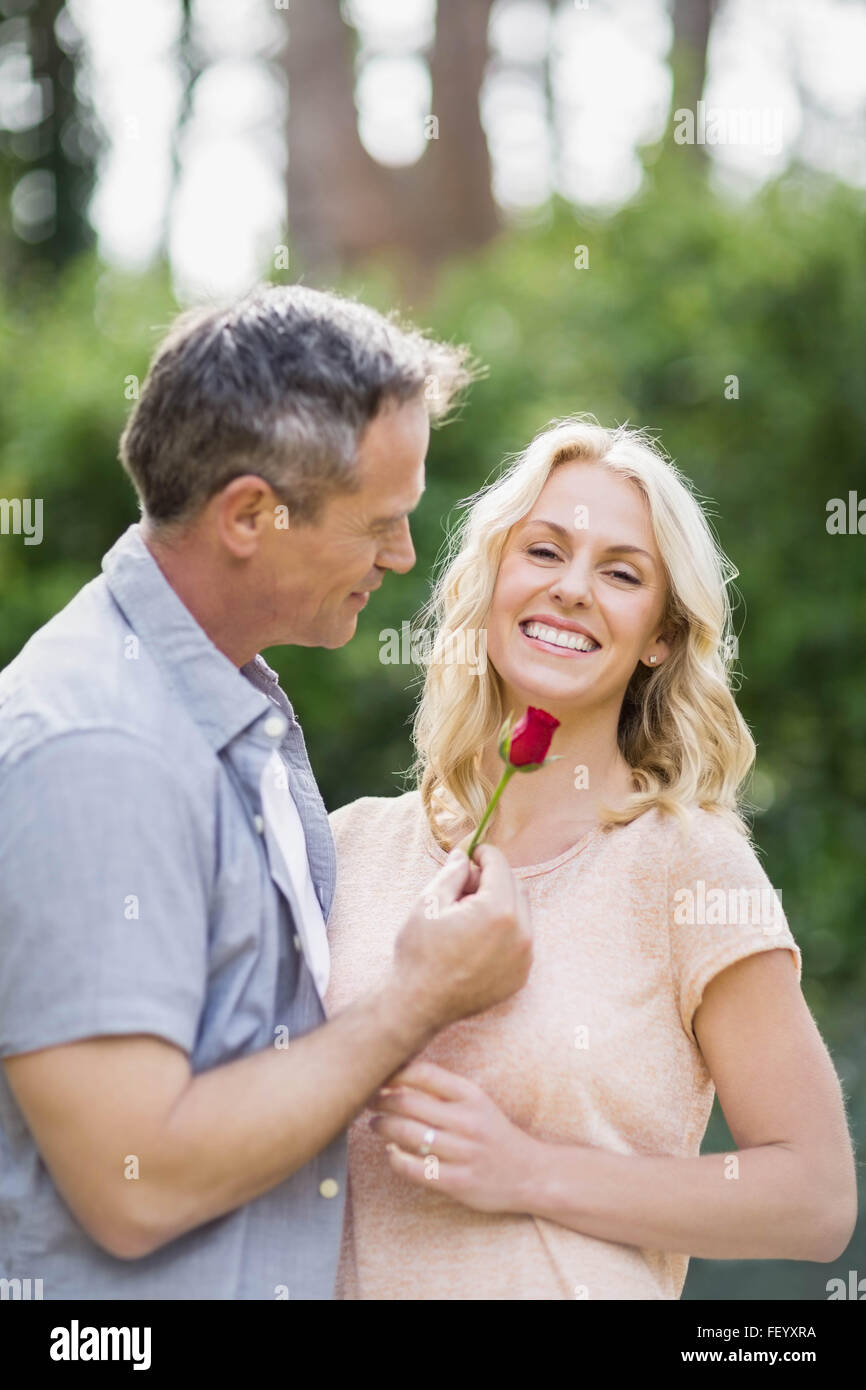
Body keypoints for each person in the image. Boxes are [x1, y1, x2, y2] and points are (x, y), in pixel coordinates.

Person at [0, 284, 533, 1300]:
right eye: (378, 522)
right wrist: (417, 1000)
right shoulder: (96, 749)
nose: (402, 555)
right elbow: (136, 1182)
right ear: (250, 512)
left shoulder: (224, 706)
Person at [323, 416, 858, 1300]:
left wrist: (527, 1171)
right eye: (543, 551)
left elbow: (815, 1196)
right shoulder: (347, 847)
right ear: (492, 578)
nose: (573, 589)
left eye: (620, 573)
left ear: (658, 634)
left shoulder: (692, 867)